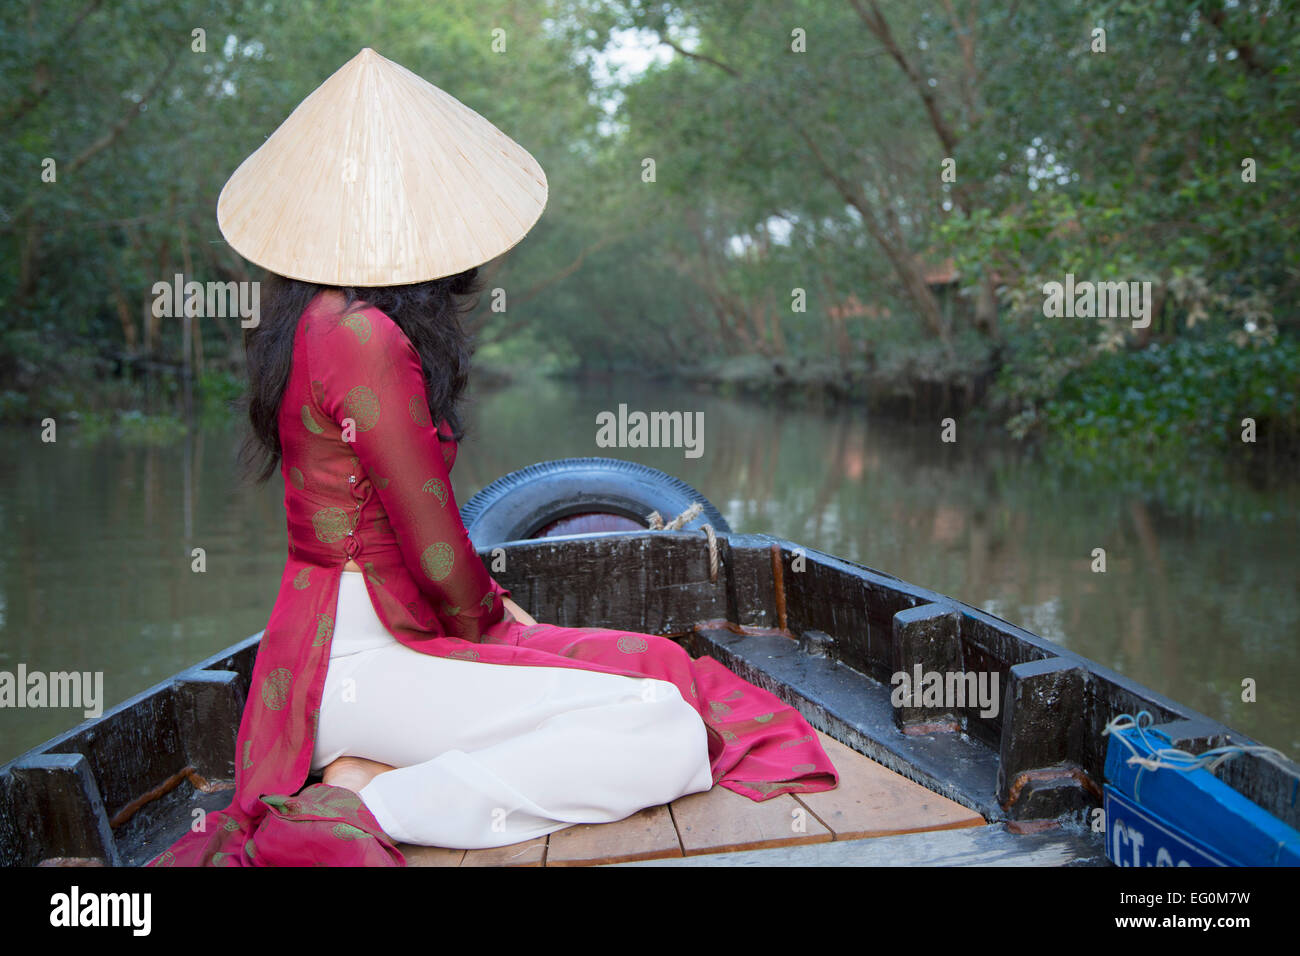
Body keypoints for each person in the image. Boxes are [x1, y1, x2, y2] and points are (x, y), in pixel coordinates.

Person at [148, 48, 836, 867]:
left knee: (657, 670)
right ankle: (374, 794)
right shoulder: (364, 336)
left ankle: (391, 767)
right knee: (663, 730)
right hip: (365, 654)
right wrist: (491, 620)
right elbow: (433, 544)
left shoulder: (315, 319)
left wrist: (493, 616)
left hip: (344, 644)